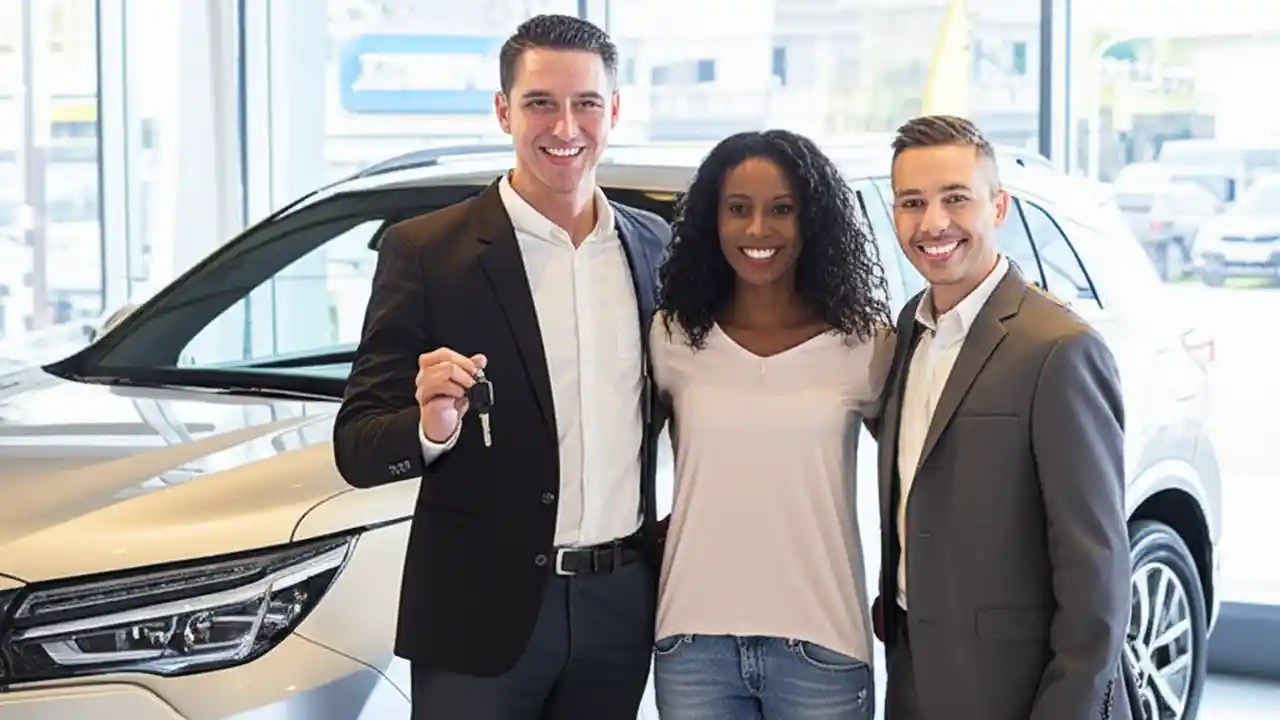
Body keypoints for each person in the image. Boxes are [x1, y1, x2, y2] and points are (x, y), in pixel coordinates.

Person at [331, 14, 670, 720]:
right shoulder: (428, 250)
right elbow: (359, 444)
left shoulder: (654, 248)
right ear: (502, 110)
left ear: (615, 111)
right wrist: (427, 427)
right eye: (540, 102)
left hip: (619, 606)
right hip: (478, 611)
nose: (565, 126)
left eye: (586, 104)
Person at [871, 114, 1133, 720]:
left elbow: (1096, 572)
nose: (933, 223)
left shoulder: (1058, 348)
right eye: (912, 202)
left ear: (999, 207)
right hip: (916, 677)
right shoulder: (909, 329)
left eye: (955, 198)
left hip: (1021, 691)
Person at [650, 129, 895, 720]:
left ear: (813, 223)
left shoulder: (864, 344)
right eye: (739, 210)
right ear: (713, 221)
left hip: (822, 646)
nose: (758, 230)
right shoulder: (672, 337)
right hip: (692, 646)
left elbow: (921, 479)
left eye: (782, 210)